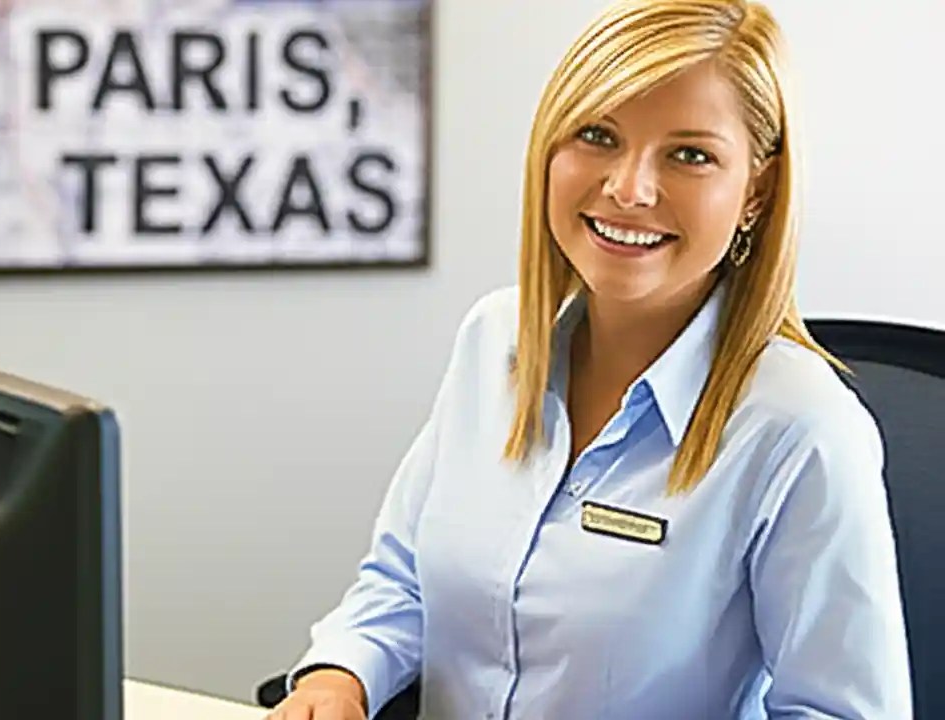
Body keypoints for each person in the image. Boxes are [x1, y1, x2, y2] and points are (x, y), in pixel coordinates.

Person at [266, 0, 913, 718]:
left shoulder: (802, 429)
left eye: (690, 154)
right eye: (598, 135)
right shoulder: (495, 340)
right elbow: (403, 583)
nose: (629, 189)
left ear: (755, 191)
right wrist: (337, 678)